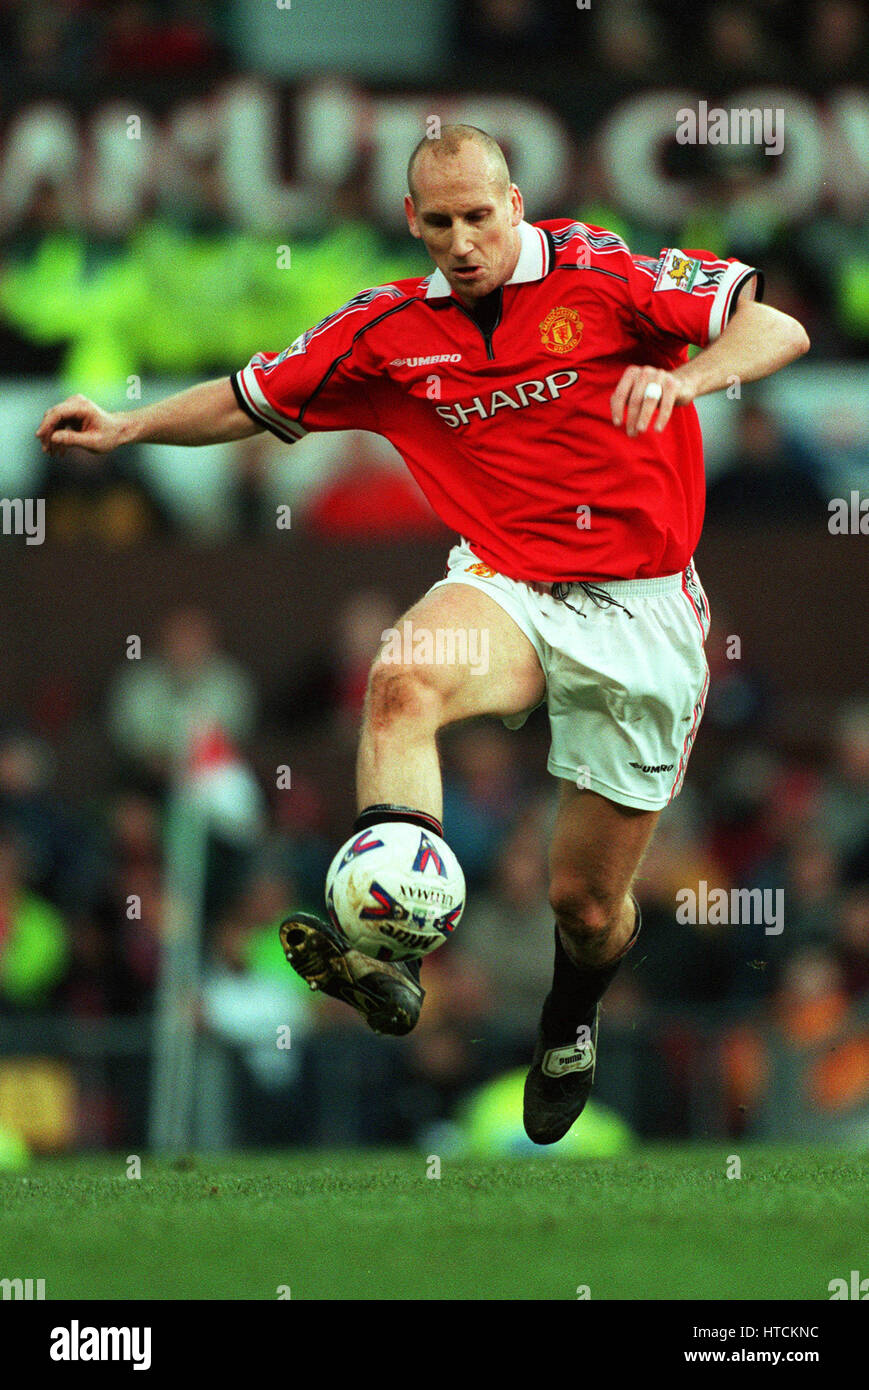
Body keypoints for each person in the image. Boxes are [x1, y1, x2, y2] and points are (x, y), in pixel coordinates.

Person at [36, 125, 809, 1144]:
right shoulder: (387, 331)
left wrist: (684, 379)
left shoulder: (604, 271)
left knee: (583, 906)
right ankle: (388, 950)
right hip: (507, 584)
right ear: (412, 221)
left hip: (643, 609)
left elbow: (778, 329)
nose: (460, 239)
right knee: (401, 678)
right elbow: (252, 395)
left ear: (514, 203)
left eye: (477, 215)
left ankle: (568, 1018)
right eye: (437, 221)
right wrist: (131, 427)